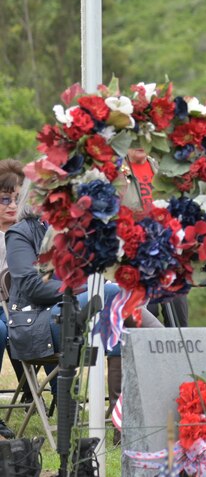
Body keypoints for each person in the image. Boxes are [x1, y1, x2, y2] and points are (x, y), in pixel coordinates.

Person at [4, 178, 162, 444]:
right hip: (38, 324)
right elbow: (32, 287)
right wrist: (88, 286)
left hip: (85, 315)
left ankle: (124, 422)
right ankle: (166, 348)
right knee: (113, 296)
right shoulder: (20, 233)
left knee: (119, 303)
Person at [124, 147, 189, 328]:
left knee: (178, 296)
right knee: (148, 311)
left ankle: (179, 345)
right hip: (128, 258)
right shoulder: (115, 171)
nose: (139, 143)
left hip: (161, 255)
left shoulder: (159, 169)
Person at [0, 158, 24, 439]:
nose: (12, 205)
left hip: (21, 306)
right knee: (3, 328)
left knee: (50, 319)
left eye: (16, 199)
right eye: (5, 199)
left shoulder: (25, 233)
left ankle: (63, 399)